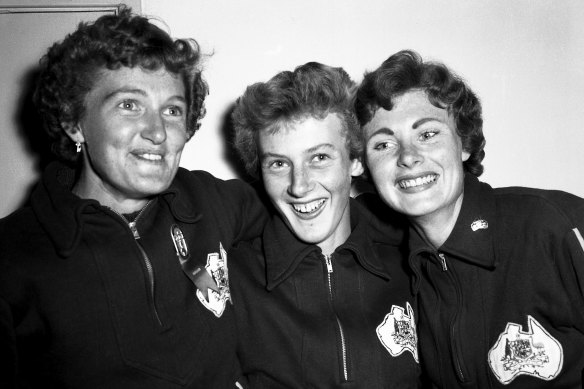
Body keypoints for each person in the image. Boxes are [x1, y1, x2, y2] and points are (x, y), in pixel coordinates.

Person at [0, 7, 267, 388]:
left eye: (172, 110)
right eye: (129, 104)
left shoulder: (210, 201)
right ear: (74, 121)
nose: (157, 132)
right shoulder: (13, 259)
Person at [355, 49, 584, 388]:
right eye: (383, 145)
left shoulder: (552, 224)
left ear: (463, 143)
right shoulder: (399, 274)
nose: (407, 157)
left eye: (428, 134)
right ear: (366, 168)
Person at [229, 61, 422, 388]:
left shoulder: (413, 264)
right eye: (278, 164)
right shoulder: (234, 279)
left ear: (356, 160)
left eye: (319, 158)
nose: (299, 185)